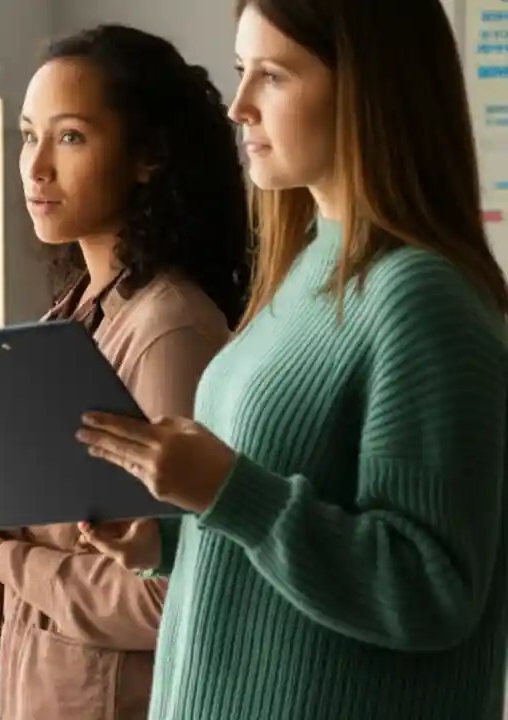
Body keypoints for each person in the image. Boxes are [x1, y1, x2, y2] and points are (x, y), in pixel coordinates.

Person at [78, 1, 508, 718]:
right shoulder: (309, 266)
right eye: (242, 70)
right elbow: (282, 520)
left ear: (367, 92)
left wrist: (227, 493)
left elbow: (432, 591)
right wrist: (172, 538)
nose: (240, 106)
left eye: (272, 76)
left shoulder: (421, 298)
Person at [0, 25, 252, 720]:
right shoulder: (76, 312)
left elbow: (169, 596)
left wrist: (3, 556)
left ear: (148, 156)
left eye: (70, 137)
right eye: (27, 135)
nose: (35, 167)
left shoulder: (171, 330)